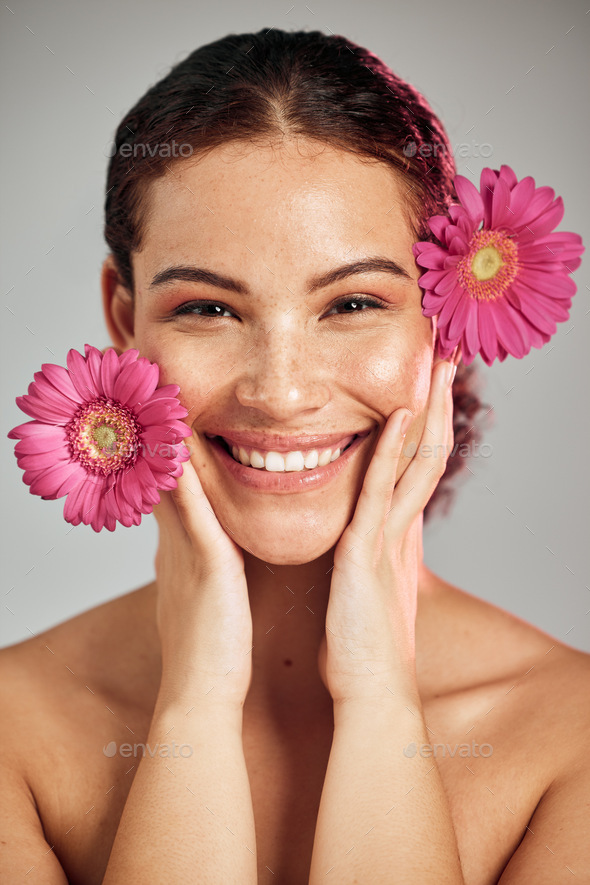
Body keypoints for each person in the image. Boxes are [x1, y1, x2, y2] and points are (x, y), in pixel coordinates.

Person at [1, 27, 588, 885]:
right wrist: (193, 700)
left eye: (351, 301)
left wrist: (380, 695)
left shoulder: (570, 739)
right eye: (207, 309)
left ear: (446, 317)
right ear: (123, 319)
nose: (279, 392)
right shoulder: (14, 729)